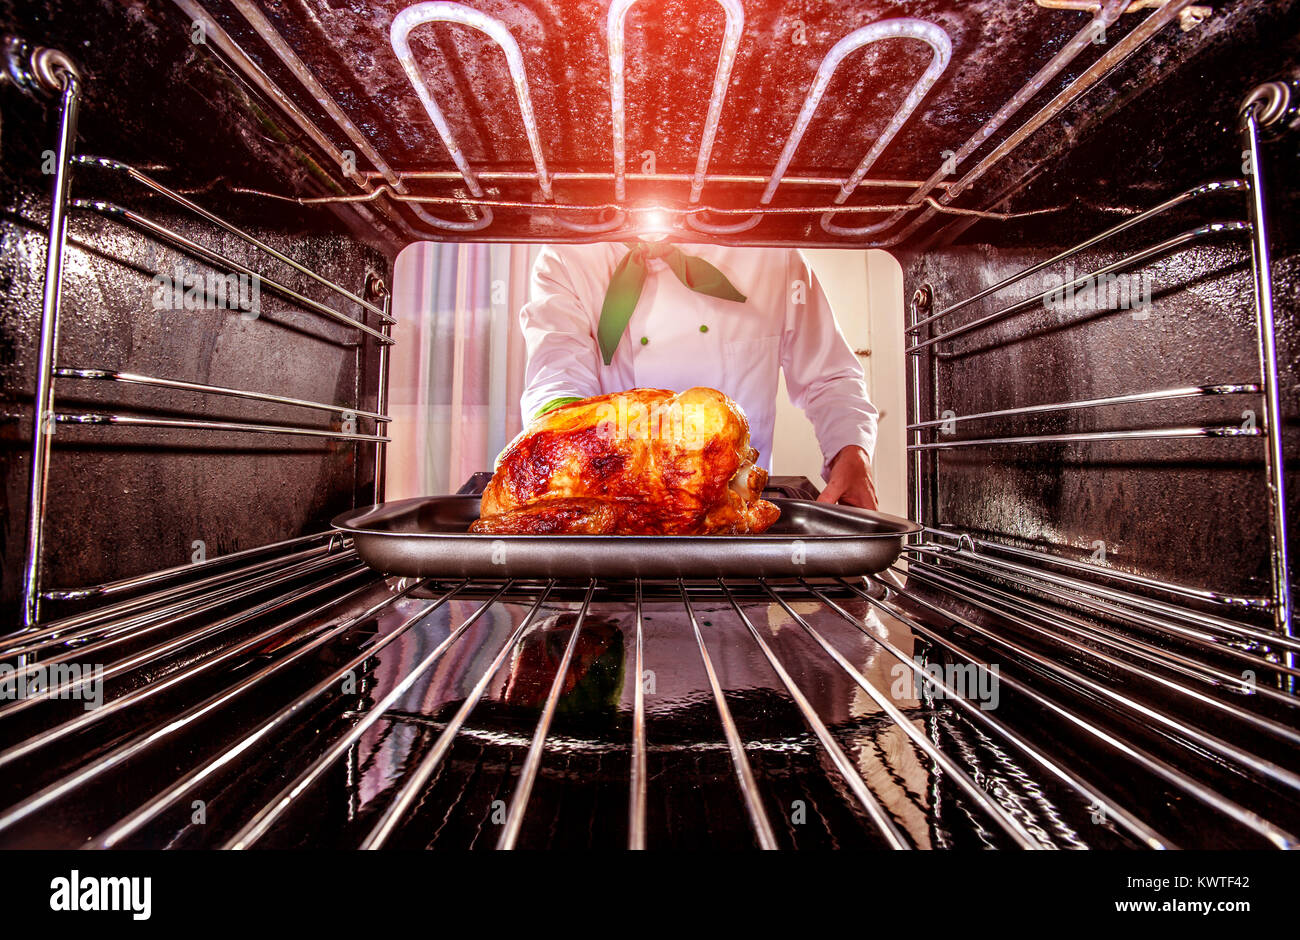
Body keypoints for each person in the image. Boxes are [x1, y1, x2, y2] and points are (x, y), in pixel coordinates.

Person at [517, 240, 880, 509]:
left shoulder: (771, 251)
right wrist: (556, 447)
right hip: (615, 514)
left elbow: (828, 376)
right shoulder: (569, 256)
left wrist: (851, 450)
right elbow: (558, 377)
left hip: (734, 512)